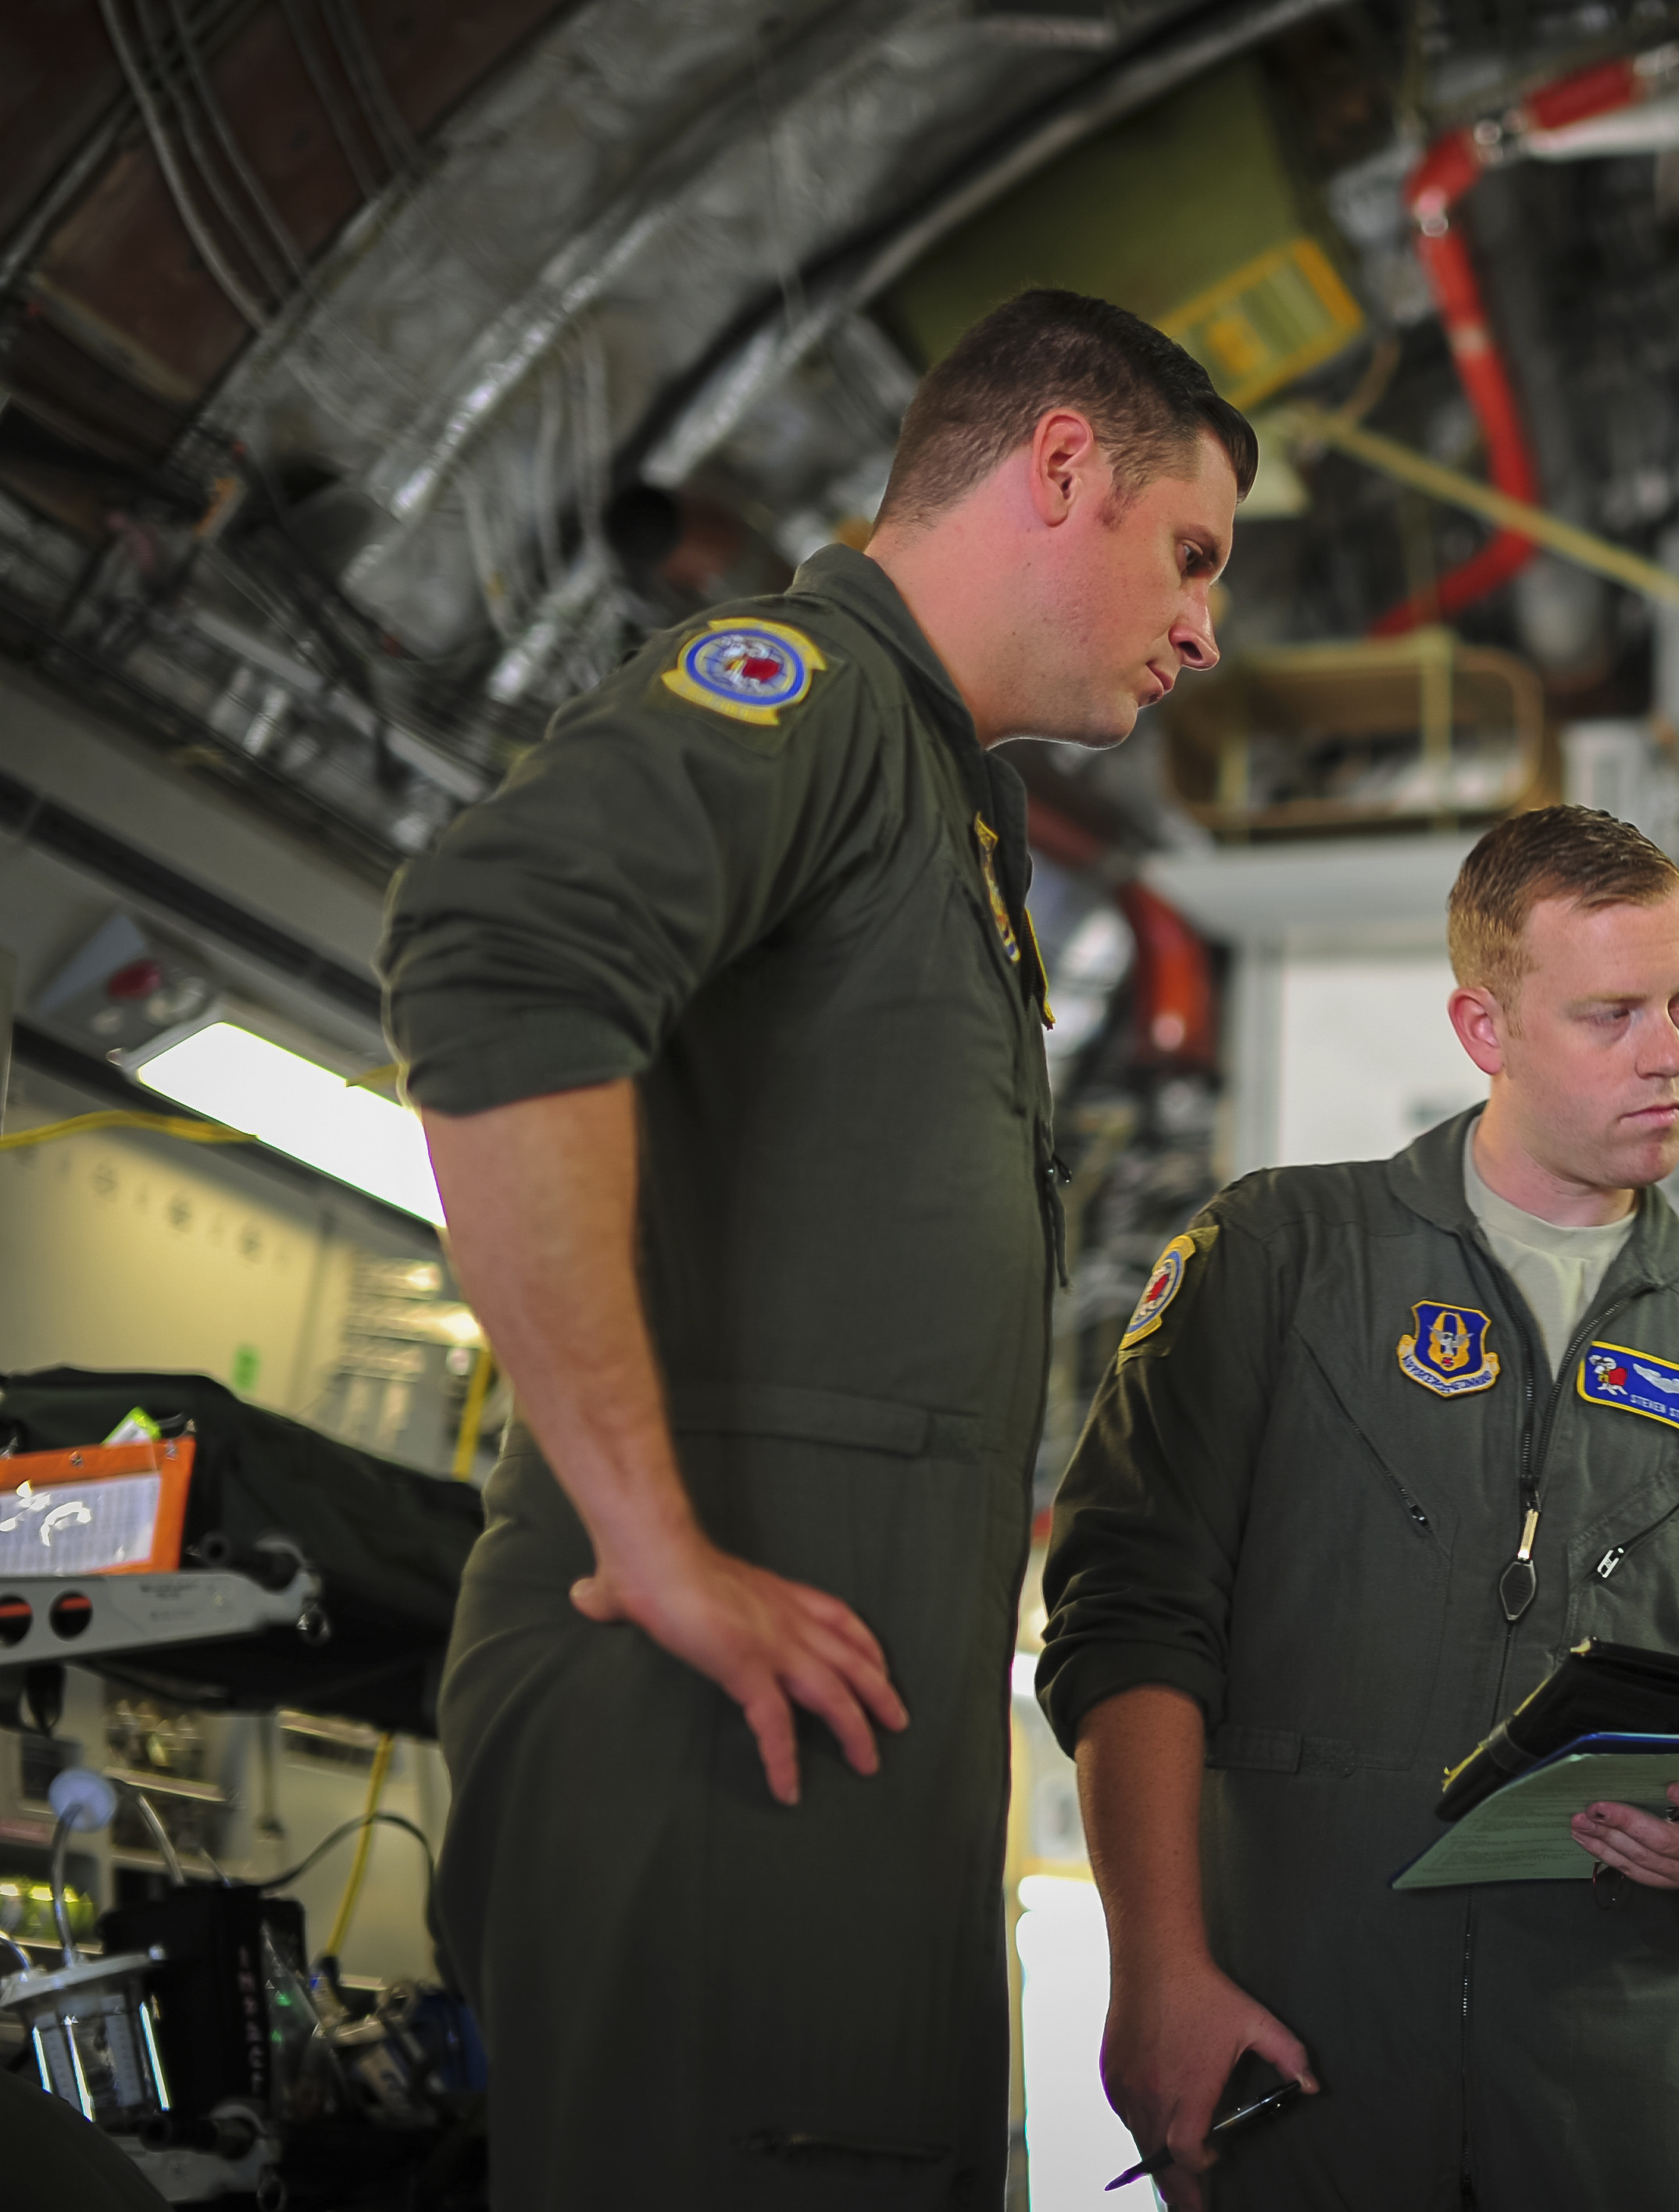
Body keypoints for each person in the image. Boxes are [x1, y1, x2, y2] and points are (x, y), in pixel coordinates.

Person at [380, 290, 1251, 2210]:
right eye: (1188, 555)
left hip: (831, 1754)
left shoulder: (944, 807)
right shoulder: (812, 697)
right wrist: (650, 1541)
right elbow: (502, 951)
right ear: (1058, 467)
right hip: (702, 1732)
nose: (1206, 625)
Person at [1038, 805, 1679, 2209]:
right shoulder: (1279, 1258)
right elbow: (1129, 1620)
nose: (1667, 1052)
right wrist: (1159, 1976)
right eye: (1609, 1013)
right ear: (1484, 1028)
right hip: (1297, 2051)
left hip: (1610, 2096)